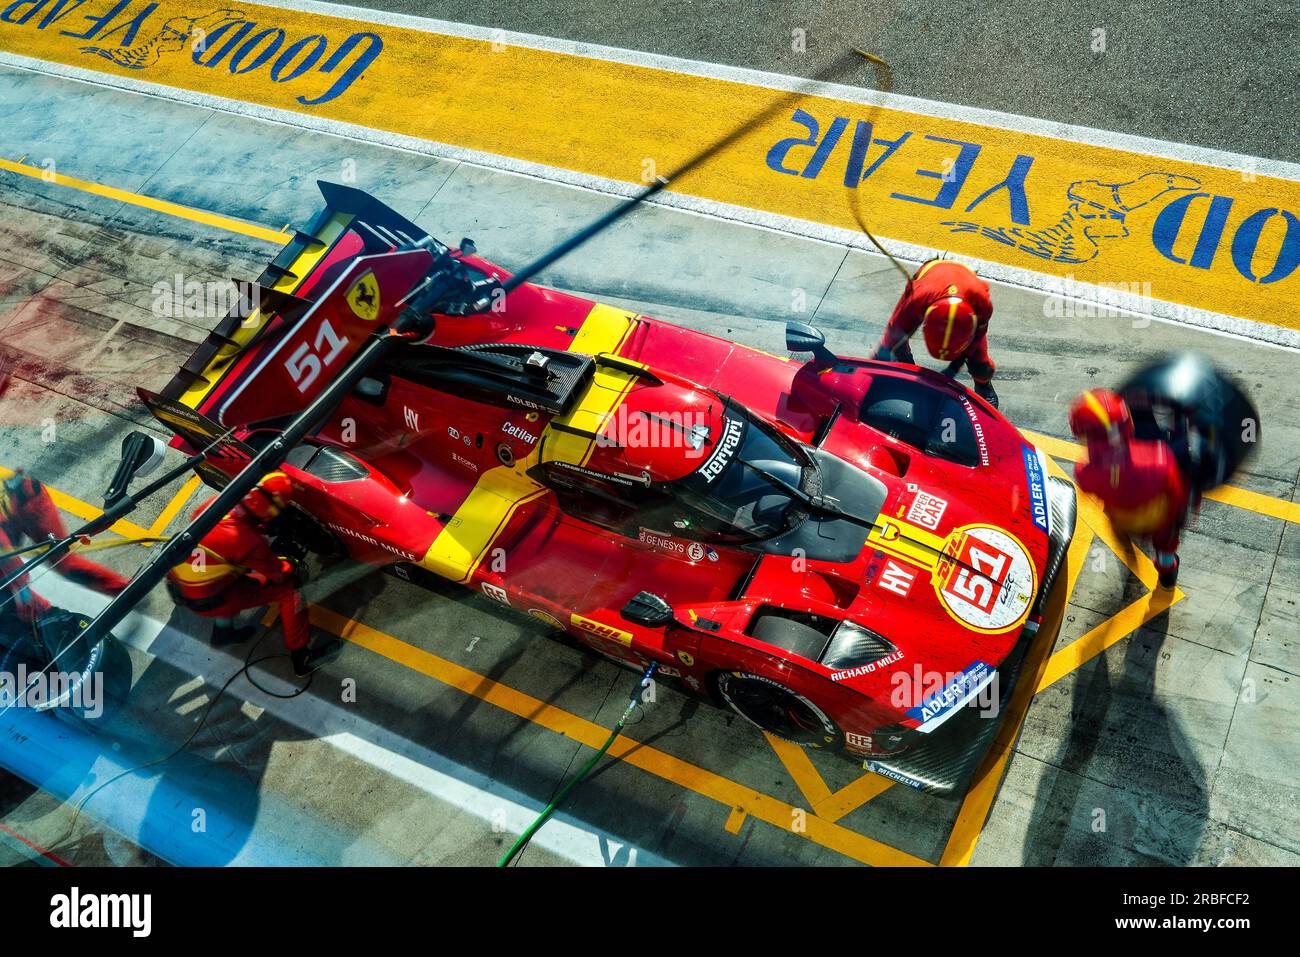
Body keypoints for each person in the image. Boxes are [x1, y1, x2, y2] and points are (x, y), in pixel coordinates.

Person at [166, 471, 340, 677]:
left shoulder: (214, 504)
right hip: (213, 599)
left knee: (231, 576)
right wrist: (289, 561)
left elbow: (226, 541)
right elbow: (279, 575)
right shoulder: (249, 543)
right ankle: (302, 659)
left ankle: (224, 631)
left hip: (184, 585)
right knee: (290, 591)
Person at [1068, 389, 1189, 589]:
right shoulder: (1160, 460)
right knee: (1166, 545)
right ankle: (1167, 571)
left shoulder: (1084, 473)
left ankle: (1130, 562)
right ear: (1127, 425)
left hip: (1123, 520)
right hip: (1159, 520)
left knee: (1120, 534)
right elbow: (1177, 495)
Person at [0, 470, 130, 620]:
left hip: (27, 502)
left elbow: (13, 570)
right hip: (12, 507)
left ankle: (127, 588)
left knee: (65, 564)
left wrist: (25, 597)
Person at [870, 259, 999, 408]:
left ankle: (983, 384)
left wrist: (954, 367)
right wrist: (880, 360)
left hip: (960, 286)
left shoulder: (982, 303)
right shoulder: (916, 299)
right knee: (895, 342)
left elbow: (976, 338)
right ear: (924, 323)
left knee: (981, 364)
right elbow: (891, 334)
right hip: (927, 287)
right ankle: (905, 364)